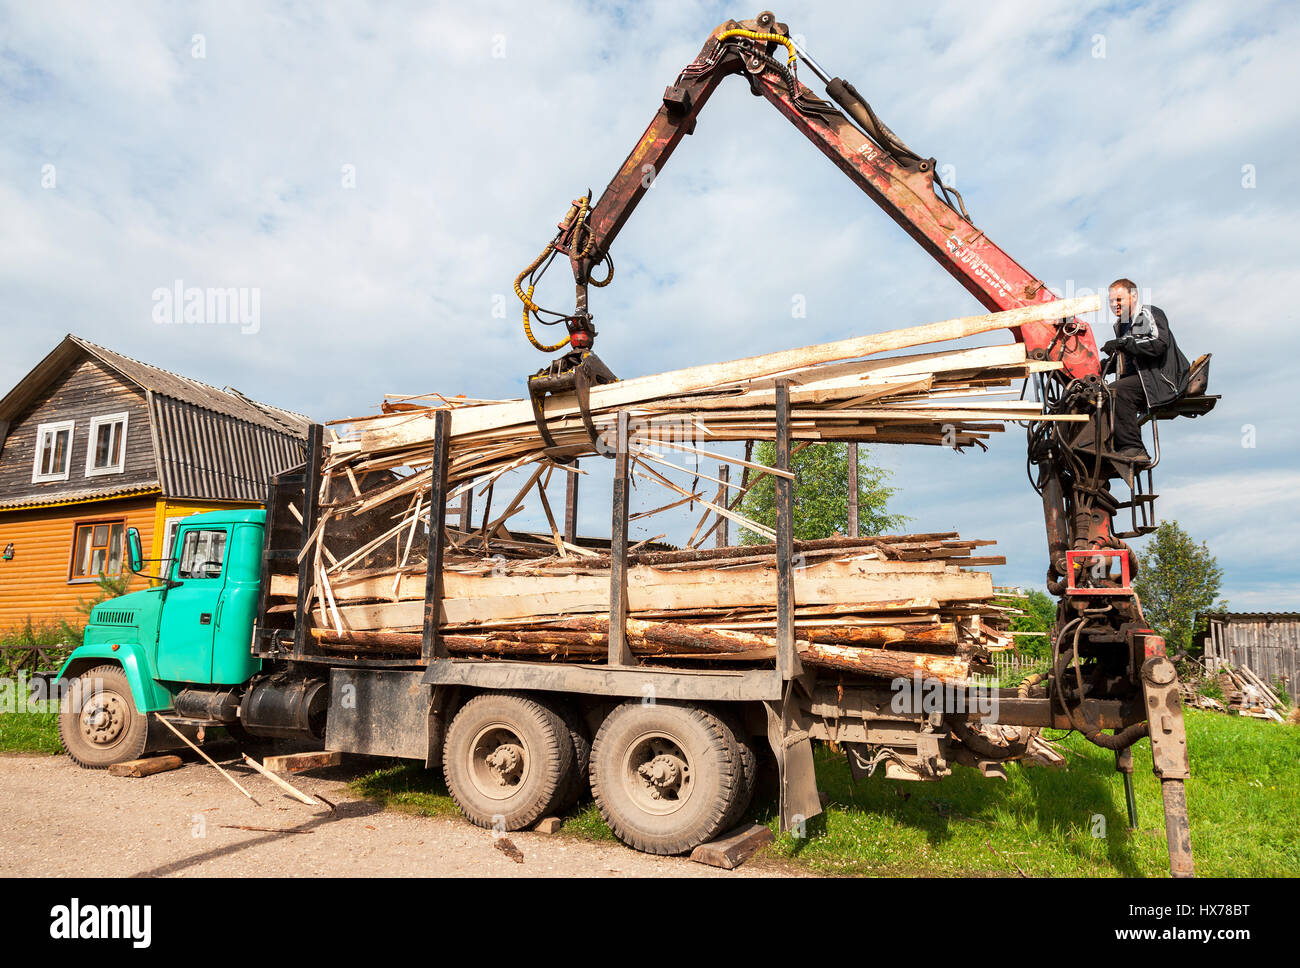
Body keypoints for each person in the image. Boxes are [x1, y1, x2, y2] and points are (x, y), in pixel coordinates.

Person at [1101, 279, 1190, 464]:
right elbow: (1132, 353)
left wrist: (1123, 343)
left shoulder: (1146, 313)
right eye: (1110, 301)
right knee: (1100, 394)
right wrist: (1102, 366)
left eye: (1119, 300)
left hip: (1161, 378)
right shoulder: (1122, 325)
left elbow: (1158, 344)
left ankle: (1134, 448)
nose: (1114, 305)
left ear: (1134, 296)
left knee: (1116, 391)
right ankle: (1110, 446)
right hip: (1140, 379)